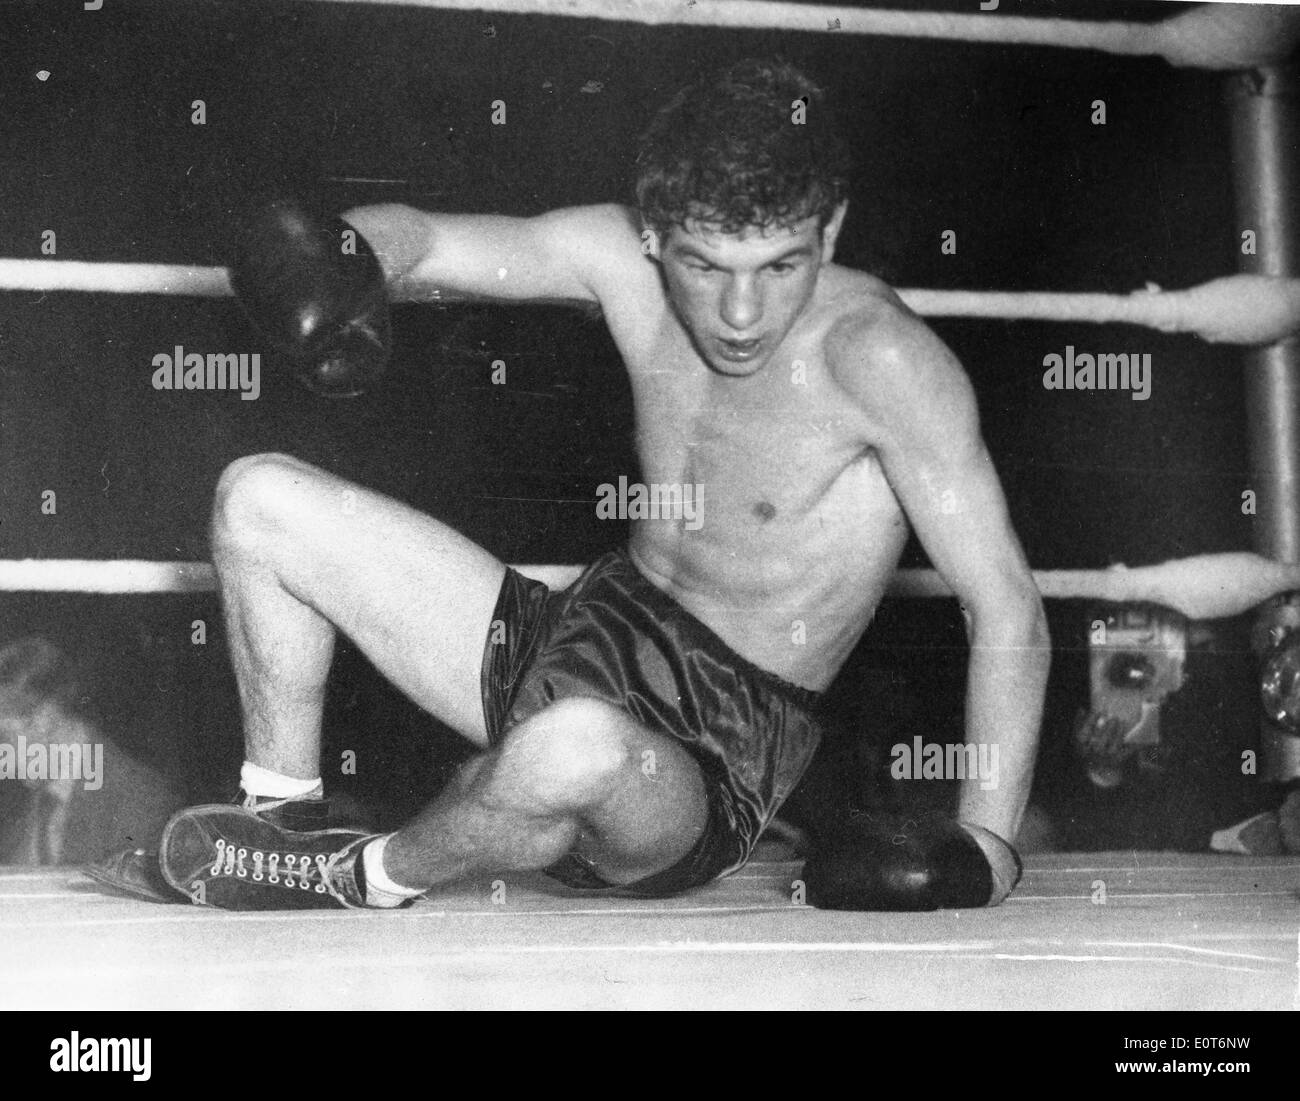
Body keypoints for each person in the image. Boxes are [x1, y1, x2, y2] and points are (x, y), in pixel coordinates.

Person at [91, 58, 1049, 911]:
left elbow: (1004, 604)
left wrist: (990, 842)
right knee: (257, 496)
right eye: (705, 266)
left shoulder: (881, 360)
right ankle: (281, 824)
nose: (743, 311)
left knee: (576, 743)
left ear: (831, 228)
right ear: (654, 234)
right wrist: (340, 260)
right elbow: (425, 236)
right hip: (574, 636)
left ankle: (358, 876)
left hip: (702, 764)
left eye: (781, 265)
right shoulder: (617, 260)